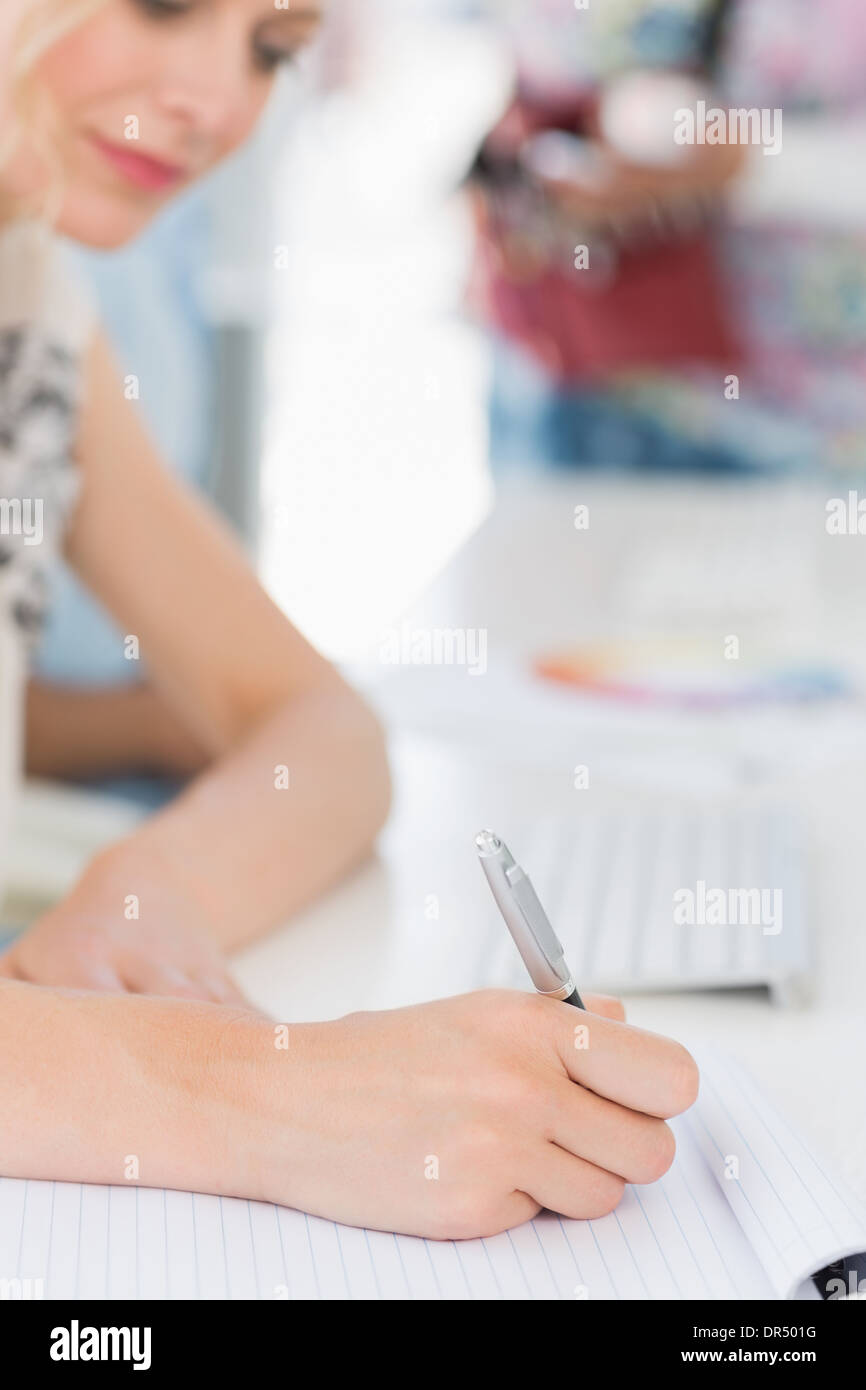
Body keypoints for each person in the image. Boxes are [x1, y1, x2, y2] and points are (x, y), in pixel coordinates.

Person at [0, 0, 697, 1241]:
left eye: (270, 50)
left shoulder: (35, 299)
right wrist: (264, 1095)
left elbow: (319, 725)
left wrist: (154, 884)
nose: (221, 104)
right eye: (163, 4)